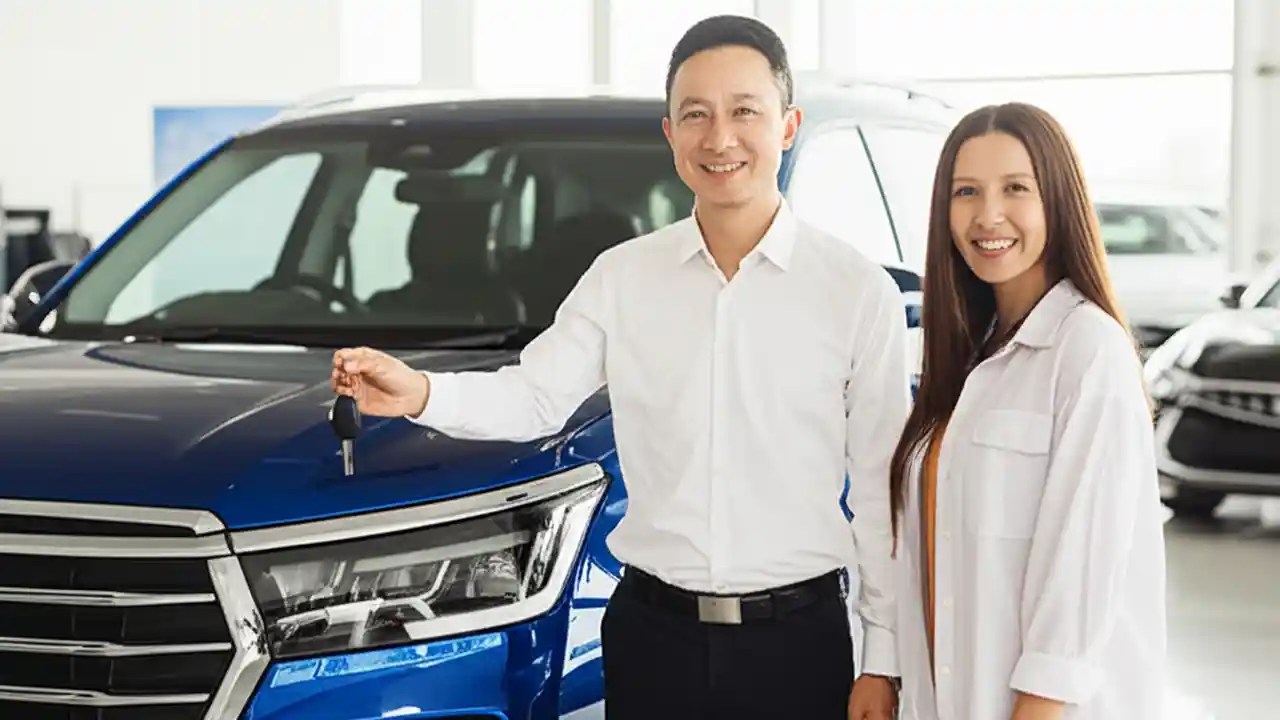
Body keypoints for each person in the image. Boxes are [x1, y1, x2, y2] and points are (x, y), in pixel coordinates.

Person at [330, 14, 908, 720]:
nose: (719, 138)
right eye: (695, 115)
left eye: (744, 112)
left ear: (787, 126)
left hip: (799, 645)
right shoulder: (623, 278)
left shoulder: (854, 289)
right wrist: (420, 392)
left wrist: (884, 658)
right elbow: (534, 399)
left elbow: (884, 491)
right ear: (670, 136)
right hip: (651, 640)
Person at [886, 102, 1168, 720]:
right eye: (967, 192)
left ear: (1057, 201)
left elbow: (1080, 581)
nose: (988, 215)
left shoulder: (1087, 349)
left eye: (1016, 188)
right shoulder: (968, 357)